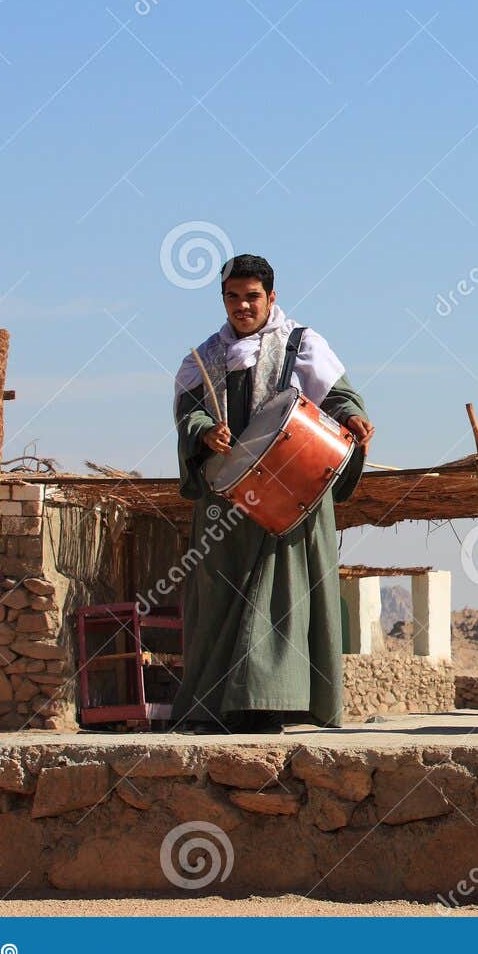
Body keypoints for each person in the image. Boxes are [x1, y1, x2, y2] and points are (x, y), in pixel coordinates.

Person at [170, 254, 373, 734]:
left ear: (271, 297)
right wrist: (203, 434)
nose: (242, 306)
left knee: (281, 595)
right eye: (233, 297)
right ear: (223, 299)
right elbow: (187, 413)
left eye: (252, 296)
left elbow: (339, 395)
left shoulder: (303, 345)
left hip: (292, 494)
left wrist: (351, 418)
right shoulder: (202, 358)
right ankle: (216, 706)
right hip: (228, 505)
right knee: (221, 594)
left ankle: (275, 704)